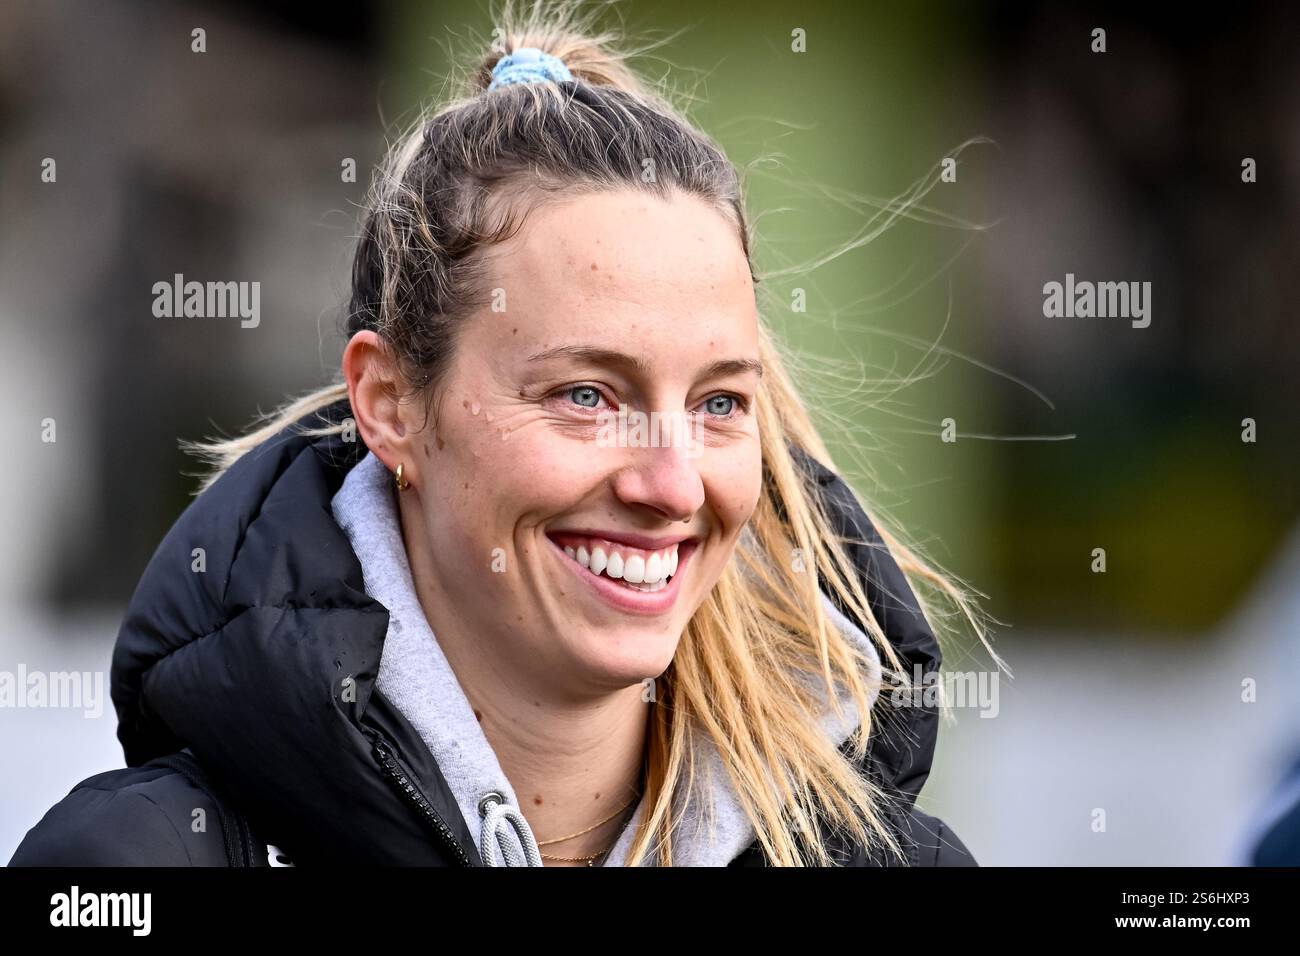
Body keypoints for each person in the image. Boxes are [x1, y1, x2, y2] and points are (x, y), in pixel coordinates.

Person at [10, 3, 994, 867]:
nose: (672, 481)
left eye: (719, 403)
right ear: (390, 403)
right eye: (585, 395)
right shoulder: (132, 863)